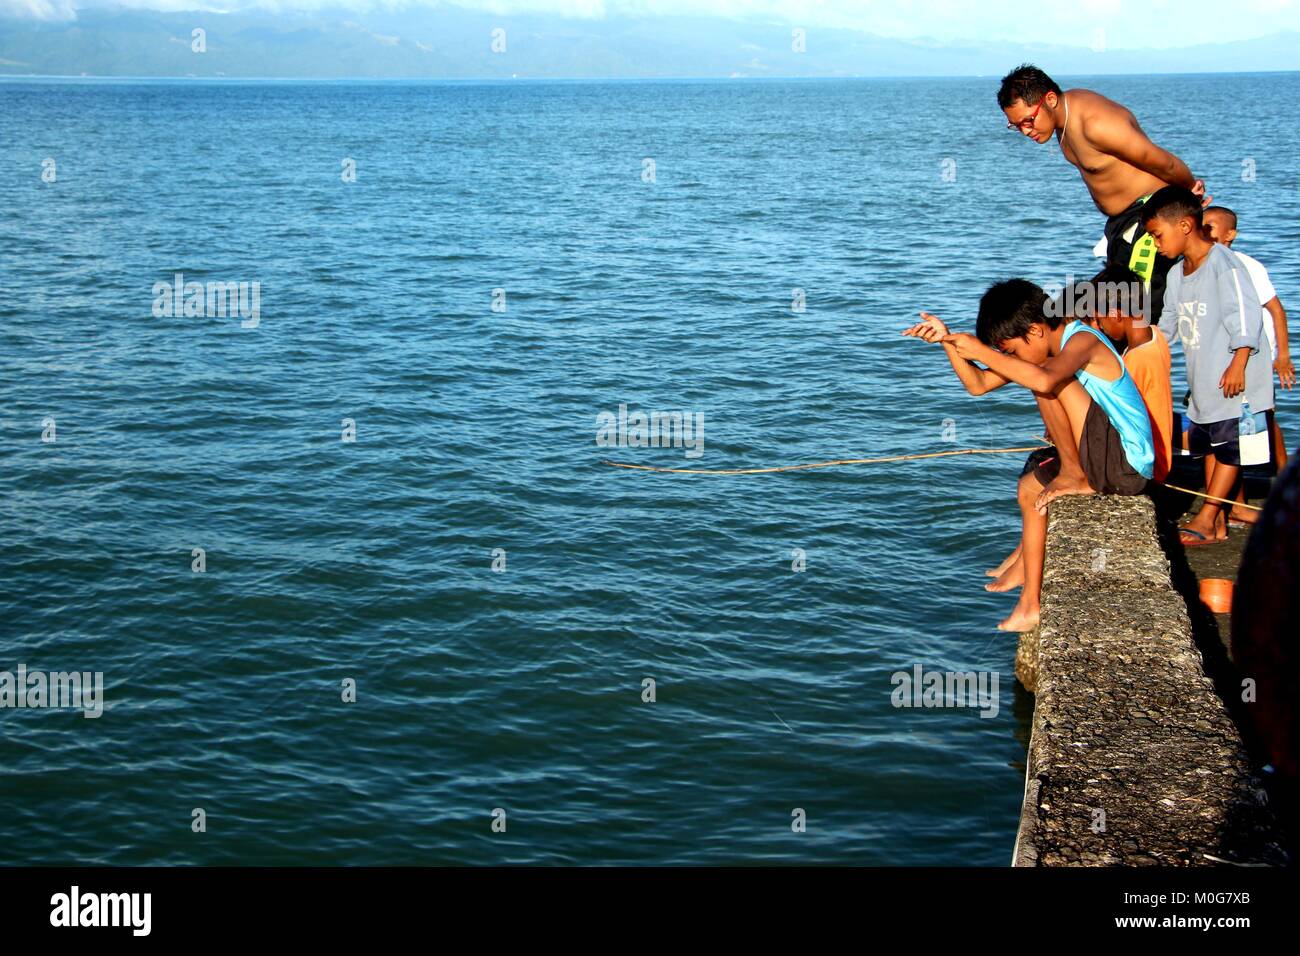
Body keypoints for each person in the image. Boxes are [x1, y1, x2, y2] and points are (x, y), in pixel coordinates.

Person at [903, 279, 1154, 632]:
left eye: (1011, 350)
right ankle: (1029, 600)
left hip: (1125, 464)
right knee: (1029, 488)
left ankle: (1074, 474)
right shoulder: (1044, 350)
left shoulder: (1082, 341)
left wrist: (982, 351)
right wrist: (948, 342)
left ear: (1035, 330)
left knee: (1046, 380)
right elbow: (978, 385)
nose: (1010, 358)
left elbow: (1042, 380)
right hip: (1099, 454)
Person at [997, 64, 1206, 317]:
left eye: (1028, 121)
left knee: (1136, 312)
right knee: (1108, 309)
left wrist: (1188, 196)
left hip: (1145, 220)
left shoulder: (1096, 124)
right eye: (1016, 126)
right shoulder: (1063, 118)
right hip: (1121, 225)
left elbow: (1162, 161)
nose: (1026, 131)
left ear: (1049, 99)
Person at [1142, 187, 1274, 547]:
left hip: (1236, 373)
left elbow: (1247, 317)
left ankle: (1208, 515)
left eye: (1157, 235)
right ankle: (1217, 519)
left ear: (1184, 225)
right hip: (1204, 375)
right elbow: (1166, 326)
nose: (1156, 244)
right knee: (1210, 446)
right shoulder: (1175, 274)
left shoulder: (1225, 266)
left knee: (1231, 447)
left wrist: (1239, 363)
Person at [1202, 205, 1291, 509]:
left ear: (1231, 234)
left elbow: (1276, 310)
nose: (1205, 231)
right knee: (1227, 428)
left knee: (1260, 421)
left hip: (1253, 359)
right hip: (1218, 360)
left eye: (1211, 226)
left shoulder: (1247, 266)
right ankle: (1236, 502)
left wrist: (1283, 356)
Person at [1066, 266, 1174, 484]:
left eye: (1101, 320)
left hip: (1150, 466)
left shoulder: (1136, 361)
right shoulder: (1155, 336)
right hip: (1161, 455)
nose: (1101, 328)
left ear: (1115, 314)